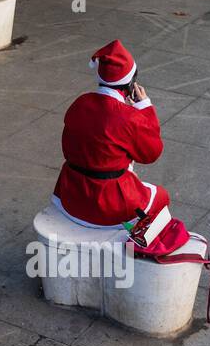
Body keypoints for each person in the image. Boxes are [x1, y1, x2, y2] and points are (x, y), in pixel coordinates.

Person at [51, 40, 171, 238]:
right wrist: (145, 109)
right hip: (109, 206)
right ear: (130, 83)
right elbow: (151, 154)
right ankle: (139, 247)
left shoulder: (80, 103)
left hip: (70, 196)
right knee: (161, 197)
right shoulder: (129, 117)